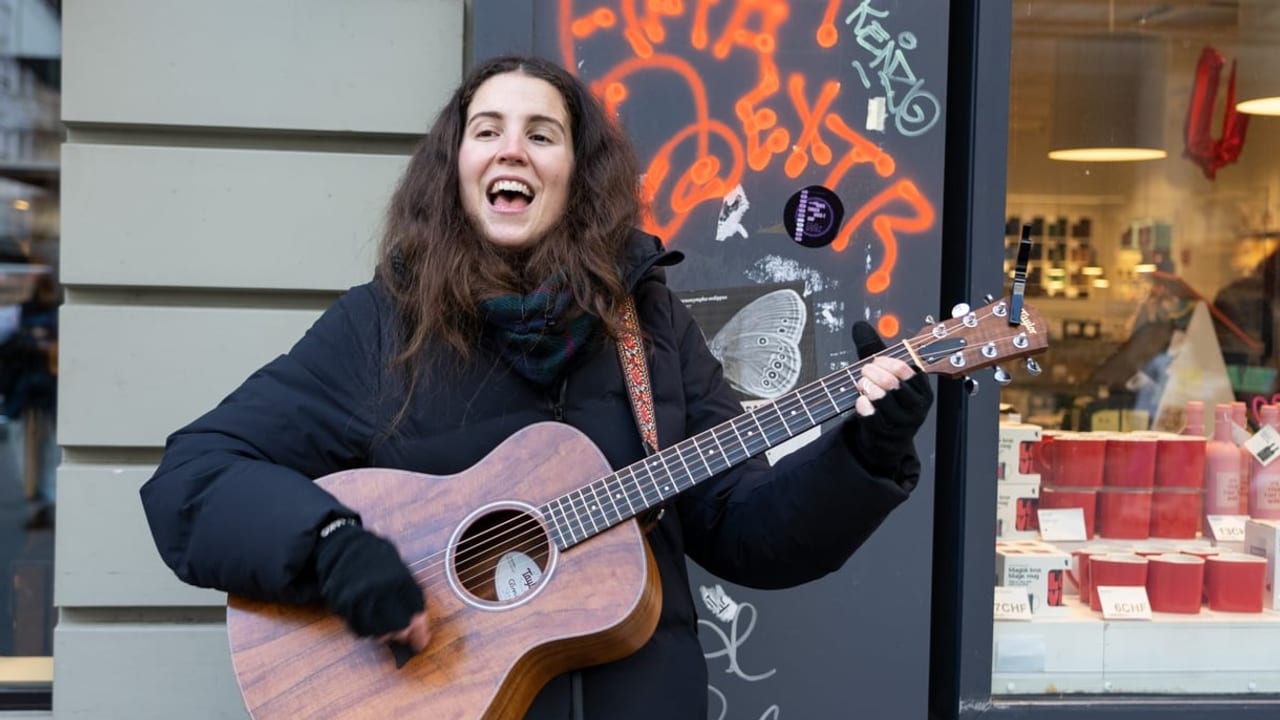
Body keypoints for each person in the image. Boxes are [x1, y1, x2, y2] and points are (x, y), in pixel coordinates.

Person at [139, 54, 932, 719]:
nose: (511, 150)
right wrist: (330, 548)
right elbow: (194, 475)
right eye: (487, 131)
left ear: (577, 175)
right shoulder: (379, 329)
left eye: (541, 134)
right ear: (455, 169)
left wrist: (866, 453)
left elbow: (744, 528)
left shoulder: (650, 328)